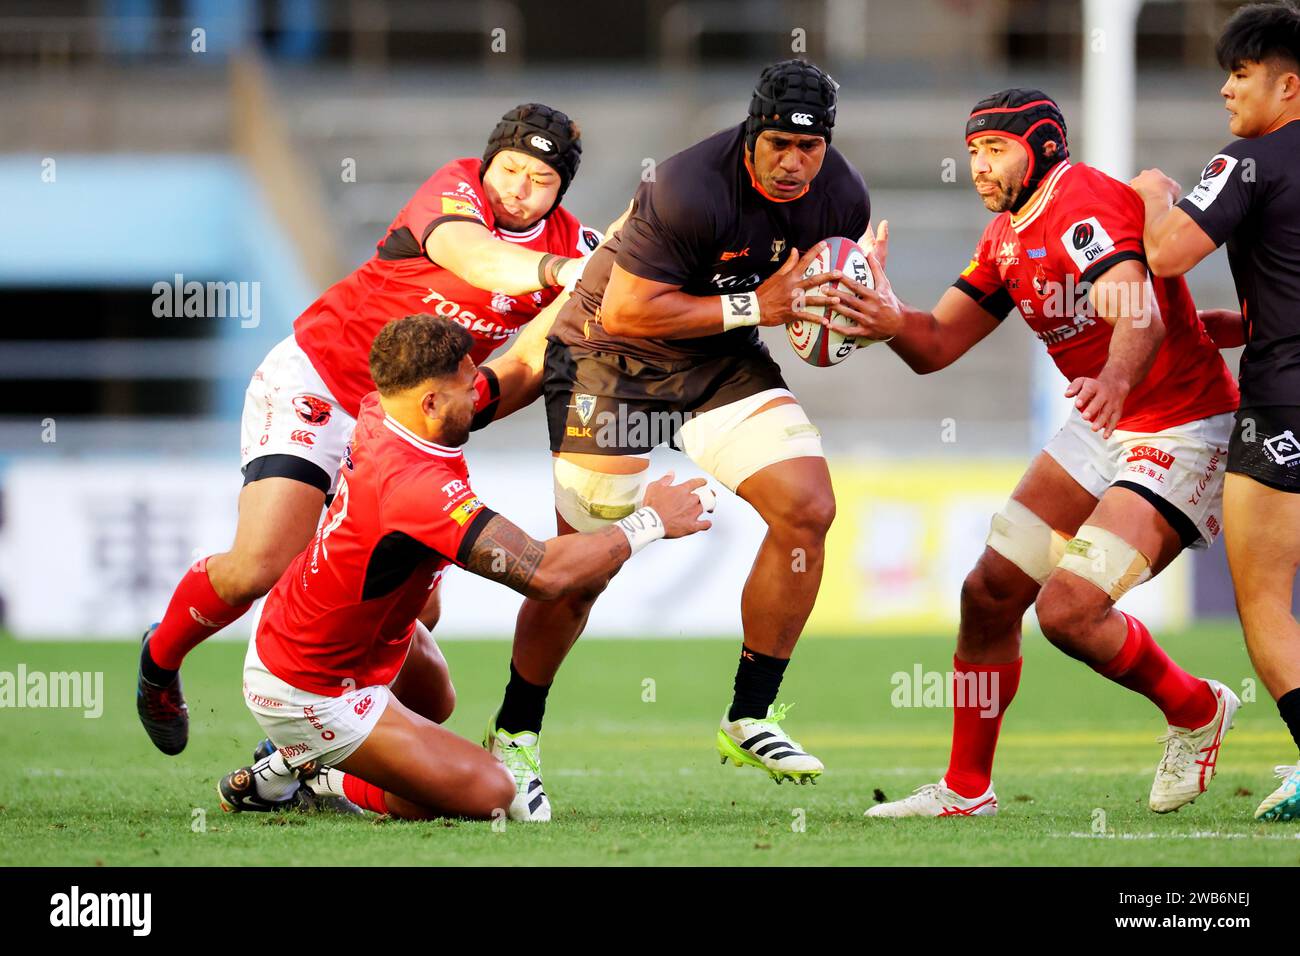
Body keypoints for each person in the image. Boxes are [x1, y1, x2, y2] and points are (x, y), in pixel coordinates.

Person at [137, 104, 605, 756]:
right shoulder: (457, 190)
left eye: (540, 179)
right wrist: (564, 277)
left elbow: (531, 361)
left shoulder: (578, 249)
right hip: (321, 383)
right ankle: (159, 663)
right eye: (510, 168)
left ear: (561, 193)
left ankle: (298, 746)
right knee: (259, 566)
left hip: (404, 429)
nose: (517, 187)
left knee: (417, 614)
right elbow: (479, 261)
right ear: (488, 161)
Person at [476, 58, 874, 820]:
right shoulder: (689, 185)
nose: (794, 163)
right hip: (609, 359)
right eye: (779, 146)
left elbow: (808, 312)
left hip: (719, 362)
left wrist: (856, 310)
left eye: (811, 147)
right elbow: (627, 314)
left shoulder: (843, 197)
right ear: (752, 133)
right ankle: (515, 735)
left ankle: (749, 715)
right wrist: (759, 304)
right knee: (577, 574)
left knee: (808, 509)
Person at [830, 89, 1241, 818]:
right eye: (973, 152)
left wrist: (1113, 379)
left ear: (1044, 145)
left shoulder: (1078, 198)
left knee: (1069, 612)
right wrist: (884, 314)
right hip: (1101, 425)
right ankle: (965, 791)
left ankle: (1196, 708)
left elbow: (1134, 309)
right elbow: (936, 346)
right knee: (988, 593)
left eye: (996, 150)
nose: (979, 166)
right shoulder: (1004, 237)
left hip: (1177, 425)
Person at [216, 313, 712, 820]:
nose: (478, 391)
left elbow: (513, 369)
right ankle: (317, 774)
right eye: (466, 383)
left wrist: (579, 289)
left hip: (329, 633)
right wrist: (649, 522)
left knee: (435, 697)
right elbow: (544, 574)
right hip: (308, 686)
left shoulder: (385, 409)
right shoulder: (417, 487)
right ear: (430, 402)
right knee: (489, 794)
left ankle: (294, 763)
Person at [1132, 1, 1300, 821]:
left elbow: (1168, 252)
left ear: (1289, 85)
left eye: (1241, 73)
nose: (1228, 91)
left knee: (1266, 597)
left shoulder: (1250, 161)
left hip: (1285, 404)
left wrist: (1152, 198)